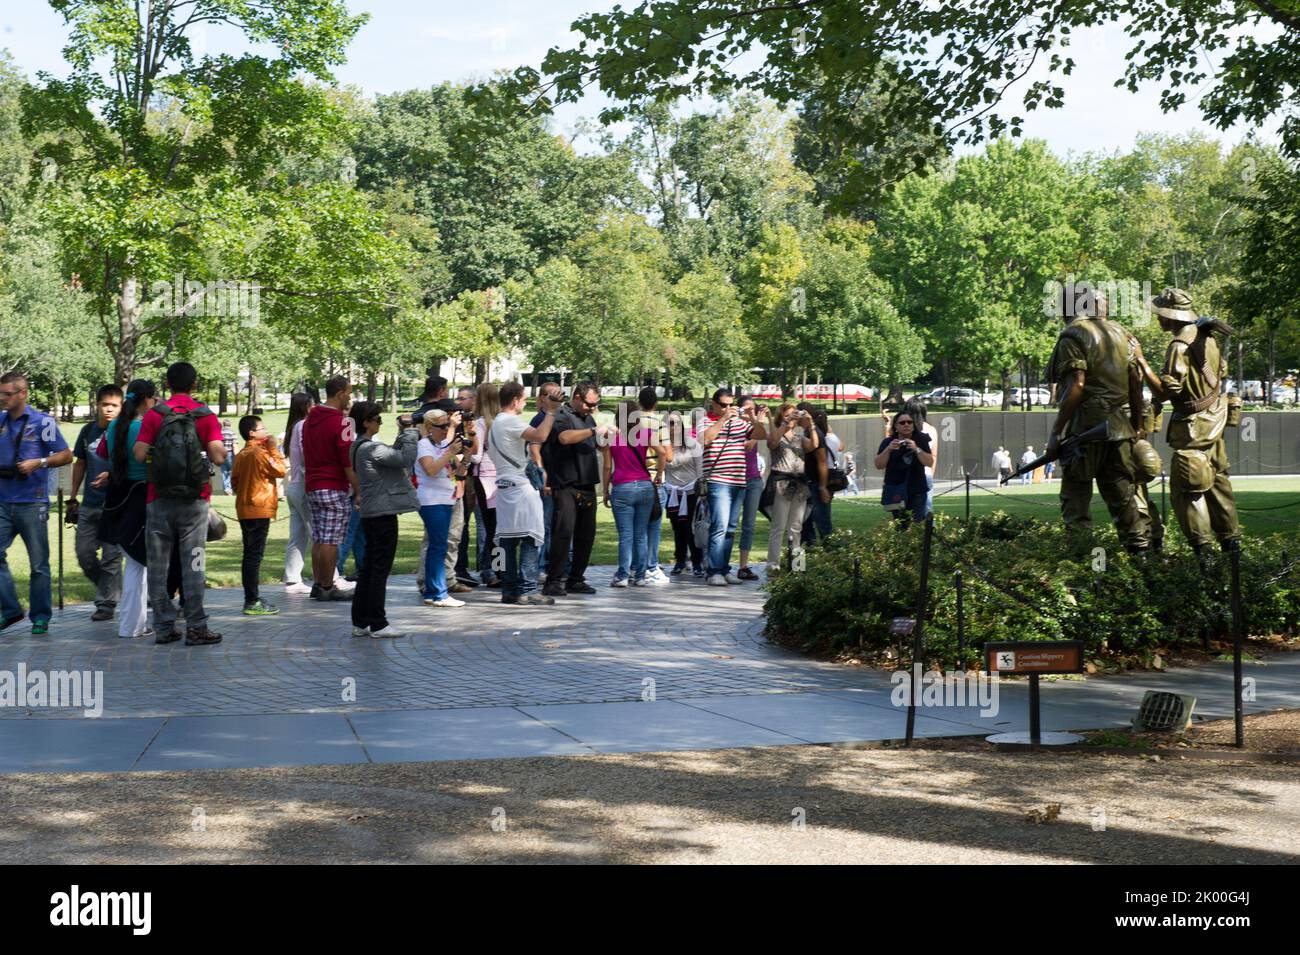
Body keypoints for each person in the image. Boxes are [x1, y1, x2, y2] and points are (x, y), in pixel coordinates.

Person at [1133, 287, 1240, 554]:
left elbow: (1165, 392)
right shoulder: (1206, 336)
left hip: (1193, 428)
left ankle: (1204, 556)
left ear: (1171, 317)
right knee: (1218, 483)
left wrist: (1142, 362)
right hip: (1214, 420)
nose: (1158, 319)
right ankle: (1232, 545)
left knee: (1187, 490)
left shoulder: (1179, 346)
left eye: (1160, 314)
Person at [1044, 285, 1151, 553]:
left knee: (1076, 502)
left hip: (1087, 430)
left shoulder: (1073, 336)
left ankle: (1083, 567)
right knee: (1124, 501)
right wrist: (1137, 425)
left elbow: (1076, 386)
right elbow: (1136, 384)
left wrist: (1057, 432)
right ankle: (1142, 565)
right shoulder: (1122, 334)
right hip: (1120, 430)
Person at [132, 361, 224, 646]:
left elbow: (138, 454)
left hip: (158, 500)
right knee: (194, 564)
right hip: (195, 504)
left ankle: (163, 627)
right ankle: (197, 627)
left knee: (158, 567)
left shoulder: (154, 415)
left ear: (167, 384)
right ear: (194, 384)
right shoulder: (205, 415)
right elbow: (219, 457)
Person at [0, 372, 73, 635]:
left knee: (38, 565)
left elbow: (66, 455)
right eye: (1, 393)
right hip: (3, 501)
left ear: (22, 393)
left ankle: (40, 616)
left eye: (8, 394)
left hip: (33, 502)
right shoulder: (0, 421)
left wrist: (39, 463)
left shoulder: (44, 422)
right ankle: (11, 611)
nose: (3, 398)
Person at [489, 382, 561, 605]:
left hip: (503, 485)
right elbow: (539, 435)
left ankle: (509, 589)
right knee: (530, 537)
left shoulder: (495, 423)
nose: (525, 402)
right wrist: (550, 411)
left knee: (508, 540)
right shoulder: (510, 421)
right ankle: (529, 589)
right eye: (523, 399)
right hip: (519, 486)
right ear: (514, 400)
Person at [351, 401, 420, 638]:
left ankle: (361, 621)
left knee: (369, 569)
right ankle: (378, 623)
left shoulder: (358, 446)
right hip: (382, 514)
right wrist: (411, 431)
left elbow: (393, 454)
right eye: (377, 419)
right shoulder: (371, 448)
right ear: (366, 422)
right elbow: (406, 459)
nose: (380, 422)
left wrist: (402, 434)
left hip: (372, 513)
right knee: (379, 569)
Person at [97, 379, 156, 639]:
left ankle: (134, 623)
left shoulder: (113, 428)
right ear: (148, 399)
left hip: (116, 497)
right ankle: (132, 625)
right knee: (137, 564)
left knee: (133, 563)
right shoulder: (145, 427)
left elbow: (104, 456)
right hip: (140, 498)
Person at [699, 388, 768, 586]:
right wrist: (723, 420)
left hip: (739, 481)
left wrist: (755, 419)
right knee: (719, 525)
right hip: (718, 480)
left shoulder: (740, 423)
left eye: (731, 405)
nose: (728, 408)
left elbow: (761, 436)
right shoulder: (705, 420)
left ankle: (724, 569)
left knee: (730, 527)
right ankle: (713, 571)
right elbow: (705, 440)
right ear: (714, 404)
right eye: (723, 405)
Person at [541, 381, 603, 597]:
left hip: (587, 483)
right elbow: (564, 437)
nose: (592, 408)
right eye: (588, 403)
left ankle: (576, 578)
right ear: (577, 397)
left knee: (586, 535)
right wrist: (593, 430)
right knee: (563, 533)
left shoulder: (588, 418)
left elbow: (593, 442)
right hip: (566, 484)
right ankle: (553, 580)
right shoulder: (562, 414)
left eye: (595, 404)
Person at [602, 399, 671, 587]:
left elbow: (608, 466)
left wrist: (605, 490)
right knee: (641, 534)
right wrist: (658, 474)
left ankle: (623, 574)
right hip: (644, 485)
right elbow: (663, 453)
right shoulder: (646, 433)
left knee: (625, 534)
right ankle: (640, 575)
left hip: (622, 486)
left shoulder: (611, 437)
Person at [69, 384, 123, 622]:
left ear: (121, 407)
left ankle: (106, 603)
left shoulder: (124, 433)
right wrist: (73, 496)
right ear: (97, 405)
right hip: (90, 503)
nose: (109, 409)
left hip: (116, 505)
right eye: (105, 404)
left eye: (114, 405)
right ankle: (110, 589)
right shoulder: (87, 431)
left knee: (112, 557)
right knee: (84, 554)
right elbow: (80, 463)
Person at [303, 375, 359, 601]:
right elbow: (347, 459)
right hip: (333, 485)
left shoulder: (309, 420)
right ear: (340, 394)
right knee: (331, 540)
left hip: (313, 484)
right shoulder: (343, 422)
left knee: (319, 538)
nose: (350, 397)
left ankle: (318, 583)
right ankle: (327, 586)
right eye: (349, 392)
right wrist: (358, 488)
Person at [230, 414, 286, 616]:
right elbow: (280, 470)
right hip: (259, 507)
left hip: (245, 508)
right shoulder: (259, 453)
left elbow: (234, 482)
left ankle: (251, 597)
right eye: (262, 428)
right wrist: (272, 447)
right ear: (252, 433)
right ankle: (251, 600)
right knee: (254, 556)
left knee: (250, 555)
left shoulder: (242, 453)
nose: (266, 431)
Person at [415, 408, 466, 608]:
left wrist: (465, 458)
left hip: (447, 499)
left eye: (448, 425)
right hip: (431, 501)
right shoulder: (423, 445)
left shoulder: (445, 444)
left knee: (439, 545)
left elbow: (457, 472)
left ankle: (432, 591)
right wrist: (449, 453)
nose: (446, 430)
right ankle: (439, 593)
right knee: (438, 546)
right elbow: (431, 470)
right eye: (442, 426)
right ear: (429, 428)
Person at [765, 403, 818, 572]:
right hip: (782, 482)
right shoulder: (776, 434)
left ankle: (797, 566)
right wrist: (784, 424)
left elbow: (813, 446)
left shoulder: (799, 437)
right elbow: (772, 443)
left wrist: (811, 425)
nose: (792, 417)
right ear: (781, 417)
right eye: (788, 415)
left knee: (797, 527)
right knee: (778, 526)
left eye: (794, 415)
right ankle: (773, 565)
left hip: (799, 483)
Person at [663, 410, 705, 577]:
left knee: (691, 529)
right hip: (673, 492)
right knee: (677, 529)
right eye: (669, 423)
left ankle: (697, 562)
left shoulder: (692, 444)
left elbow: (700, 470)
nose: (673, 427)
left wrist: (703, 493)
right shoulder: (663, 446)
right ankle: (680, 560)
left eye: (676, 423)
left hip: (691, 491)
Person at [637, 386, 672, 585]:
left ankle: (635, 567)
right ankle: (651, 566)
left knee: (636, 529)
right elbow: (668, 456)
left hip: (633, 478)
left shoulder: (630, 423)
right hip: (654, 480)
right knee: (653, 528)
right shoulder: (659, 424)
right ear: (655, 403)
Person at [282, 392, 315, 595]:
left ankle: (293, 578)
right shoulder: (303, 425)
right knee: (316, 534)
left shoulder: (292, 426)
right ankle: (331, 576)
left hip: (293, 486)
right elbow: (307, 455)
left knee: (298, 535)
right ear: (306, 406)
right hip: (303, 485)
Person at [875, 410, 934, 523]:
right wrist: (888, 450)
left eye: (909, 422)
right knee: (901, 524)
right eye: (902, 423)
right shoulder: (889, 442)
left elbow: (929, 462)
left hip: (917, 489)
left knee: (916, 523)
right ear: (896, 426)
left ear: (913, 425)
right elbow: (879, 465)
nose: (906, 425)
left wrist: (917, 449)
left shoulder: (921, 439)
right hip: (896, 489)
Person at [469, 383, 501, 589]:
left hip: (484, 478)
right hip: (502, 477)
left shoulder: (480, 424)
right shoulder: (502, 422)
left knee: (491, 528)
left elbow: (477, 456)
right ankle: (500, 569)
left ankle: (491, 570)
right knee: (501, 528)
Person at [734, 395, 767, 581]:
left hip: (753, 479)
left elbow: (762, 437)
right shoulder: (733, 426)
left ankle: (743, 566)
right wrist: (755, 423)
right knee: (729, 523)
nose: (749, 413)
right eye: (746, 409)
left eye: (752, 409)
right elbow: (746, 446)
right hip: (735, 478)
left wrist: (756, 422)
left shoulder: (754, 427)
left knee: (749, 525)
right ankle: (718, 563)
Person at [453, 385, 481, 590]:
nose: (458, 402)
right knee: (459, 525)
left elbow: (474, 452)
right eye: (458, 398)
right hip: (460, 478)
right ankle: (458, 569)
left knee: (481, 528)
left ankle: (490, 569)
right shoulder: (453, 424)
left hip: (476, 479)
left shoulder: (477, 424)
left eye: (463, 398)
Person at [219, 419, 236, 493]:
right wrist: (236, 456)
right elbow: (234, 445)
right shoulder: (232, 433)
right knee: (231, 471)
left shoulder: (220, 433)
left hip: (221, 453)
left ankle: (227, 488)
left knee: (224, 471)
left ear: (223, 425)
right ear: (230, 425)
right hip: (230, 453)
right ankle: (230, 488)